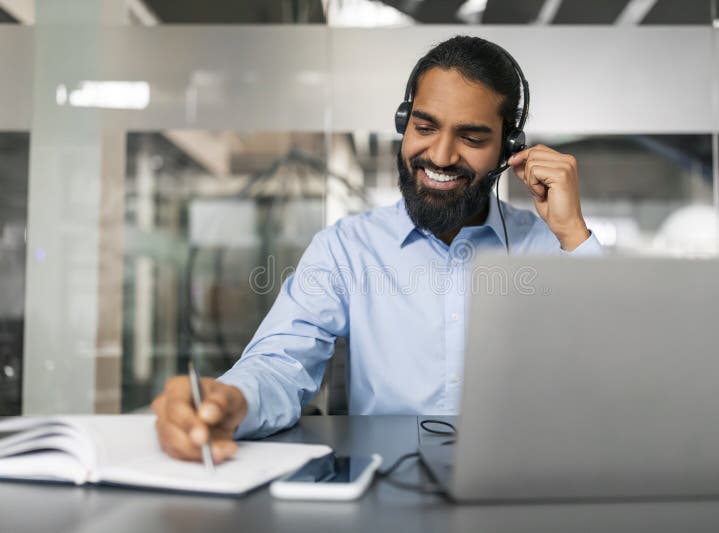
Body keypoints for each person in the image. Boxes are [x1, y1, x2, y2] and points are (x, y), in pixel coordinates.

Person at [151, 35, 603, 462]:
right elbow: (280, 363)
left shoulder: (551, 247)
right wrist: (231, 400)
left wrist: (573, 234)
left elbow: (613, 376)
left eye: (472, 137)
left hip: (519, 489)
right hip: (384, 489)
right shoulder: (346, 248)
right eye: (425, 127)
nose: (441, 156)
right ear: (405, 125)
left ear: (508, 148)